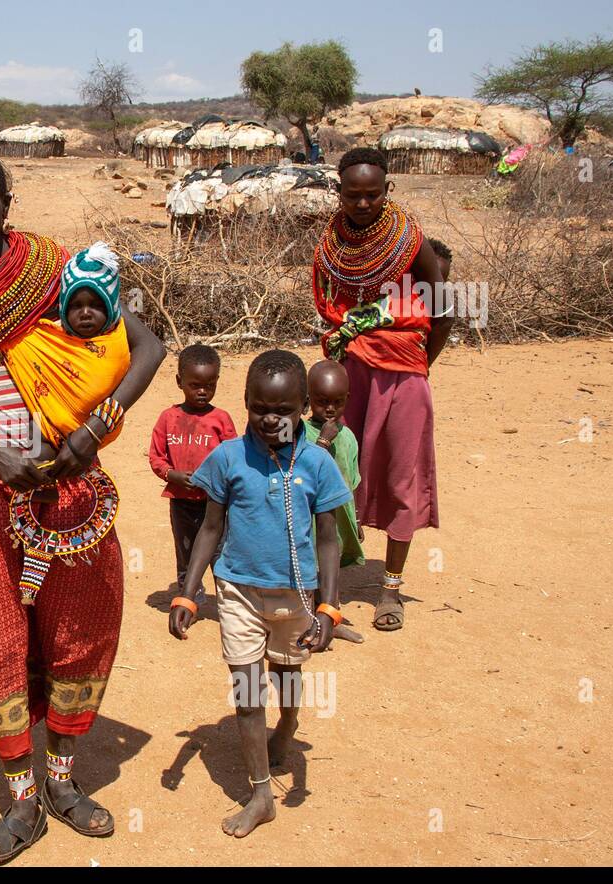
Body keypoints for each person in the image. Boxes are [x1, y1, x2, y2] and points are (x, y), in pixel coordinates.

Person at [0, 149, 165, 864]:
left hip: (68, 485)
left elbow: (146, 344)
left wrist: (92, 429)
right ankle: (22, 798)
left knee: (77, 630)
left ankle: (63, 779)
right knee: (4, 640)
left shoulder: (56, 273)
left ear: (8, 200)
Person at [169, 350, 349, 838]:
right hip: (238, 593)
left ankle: (287, 726)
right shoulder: (227, 457)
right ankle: (261, 793)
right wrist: (189, 593)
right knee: (249, 697)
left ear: (303, 406)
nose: (271, 420)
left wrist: (330, 606)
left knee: (286, 675)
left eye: (285, 410)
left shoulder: (317, 463)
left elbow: (329, 539)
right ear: (245, 402)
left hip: (296, 596)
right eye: (259, 408)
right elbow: (209, 529)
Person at [313, 147, 452, 632]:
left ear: (387, 190)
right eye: (354, 195)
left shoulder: (411, 241)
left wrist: (416, 367)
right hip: (350, 372)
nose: (364, 203)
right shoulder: (331, 244)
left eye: (373, 194)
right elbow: (329, 307)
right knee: (330, 471)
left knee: (400, 478)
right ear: (340, 192)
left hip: (404, 373)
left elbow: (442, 310)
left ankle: (390, 586)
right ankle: (325, 584)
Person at [148, 344, 237, 598]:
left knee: (220, 551)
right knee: (185, 550)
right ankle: (189, 597)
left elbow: (233, 458)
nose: (202, 391)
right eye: (195, 385)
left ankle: (229, 599)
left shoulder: (222, 419)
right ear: (179, 381)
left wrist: (215, 481)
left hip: (214, 503)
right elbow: (156, 457)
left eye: (209, 385)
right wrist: (172, 475)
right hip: (180, 502)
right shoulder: (168, 418)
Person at [305, 359, 366, 644]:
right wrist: (323, 443)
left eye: (337, 402)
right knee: (309, 569)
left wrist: (358, 518)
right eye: (321, 401)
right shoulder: (301, 434)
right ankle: (307, 622)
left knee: (331, 569)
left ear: (347, 400)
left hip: (339, 514)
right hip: (310, 516)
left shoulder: (350, 437)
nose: (329, 409)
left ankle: (332, 617)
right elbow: (305, 471)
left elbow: (352, 480)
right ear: (307, 399)